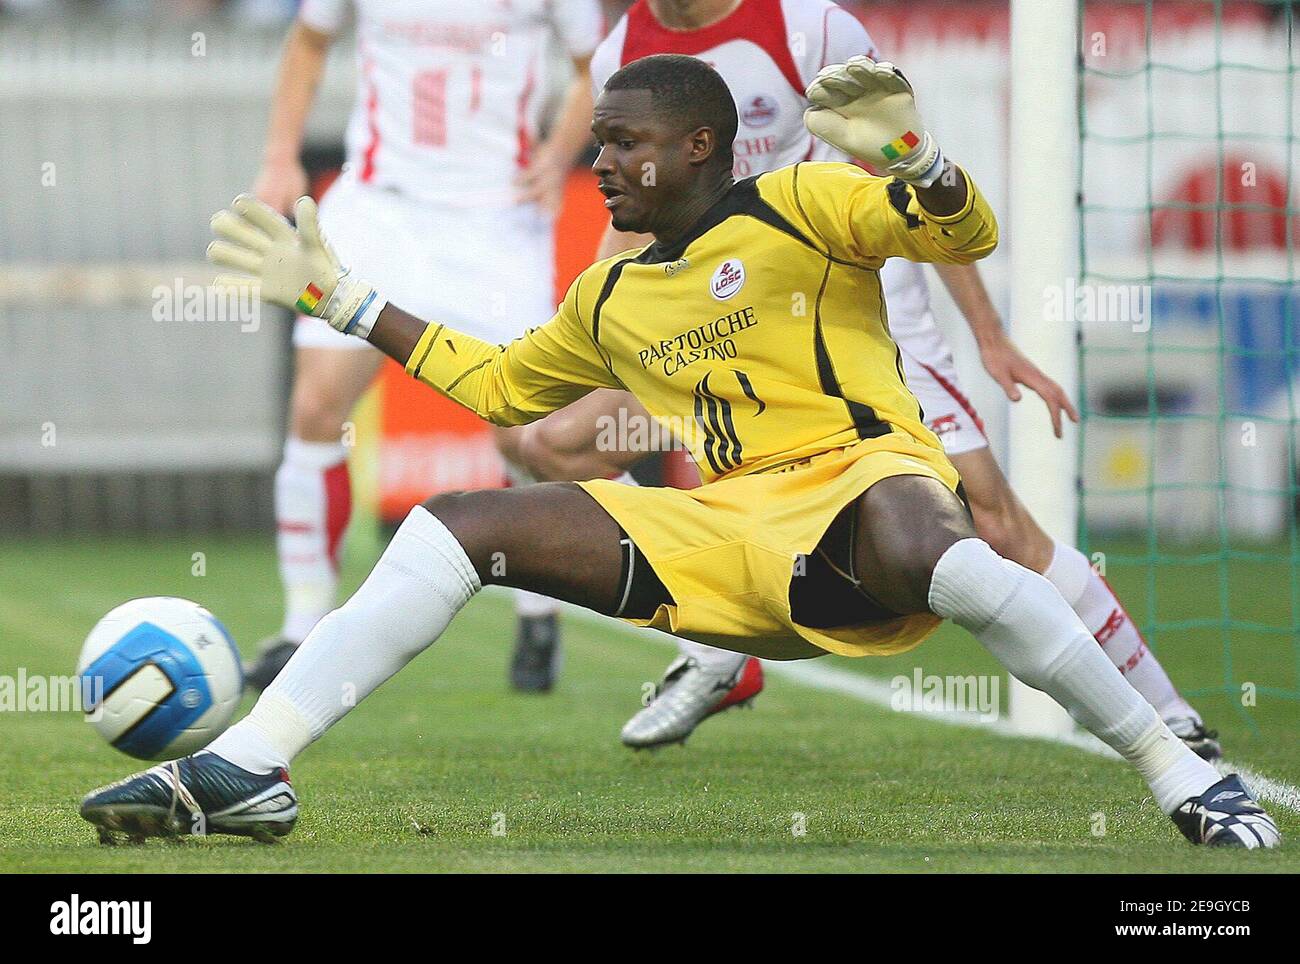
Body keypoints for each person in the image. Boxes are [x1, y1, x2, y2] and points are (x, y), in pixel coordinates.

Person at [83, 55, 1277, 849]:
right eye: (597, 142)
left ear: (703, 144)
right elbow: (502, 385)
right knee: (455, 524)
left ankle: (1173, 766)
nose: (600, 163)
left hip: (866, 496)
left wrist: (912, 154)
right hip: (727, 534)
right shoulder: (610, 294)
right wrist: (344, 299)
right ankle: (253, 765)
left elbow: (959, 225)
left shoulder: (807, 204)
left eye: (624, 143)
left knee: (936, 536)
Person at [500, 0, 1219, 757]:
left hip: (851, 304)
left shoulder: (809, 27)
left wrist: (988, 333)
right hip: (719, 322)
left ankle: (1170, 716)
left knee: (994, 522)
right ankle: (720, 649)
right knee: (550, 444)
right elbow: (630, 214)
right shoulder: (624, 46)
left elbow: (904, 177)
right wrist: (585, 328)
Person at [246, 0, 603, 693]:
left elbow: (600, 67)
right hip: (382, 205)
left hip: (496, 216)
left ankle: (537, 615)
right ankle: (302, 627)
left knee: (525, 429)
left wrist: (560, 156)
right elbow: (308, 43)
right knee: (318, 406)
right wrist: (278, 155)